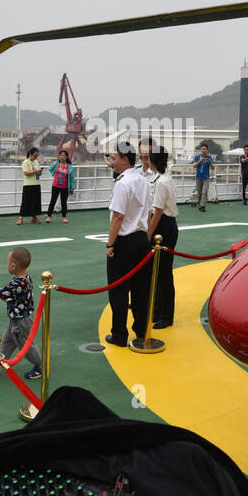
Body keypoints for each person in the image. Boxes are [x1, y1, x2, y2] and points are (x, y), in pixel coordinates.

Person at [104, 143, 150, 347]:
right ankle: (140, 332)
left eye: (114, 158)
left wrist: (110, 244)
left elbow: (118, 217)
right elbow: (148, 212)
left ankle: (120, 335)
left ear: (124, 159)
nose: (112, 162)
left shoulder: (122, 183)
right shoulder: (142, 180)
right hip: (142, 239)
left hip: (124, 241)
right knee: (141, 289)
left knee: (118, 290)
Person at [0, 247, 43, 380]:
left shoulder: (16, 283)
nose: (7, 265)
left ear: (13, 266)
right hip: (17, 318)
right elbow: (5, 290)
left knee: (25, 344)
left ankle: (39, 365)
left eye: (8, 262)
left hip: (21, 321)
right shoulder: (25, 278)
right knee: (7, 340)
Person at [147, 147, 179, 329]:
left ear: (152, 161)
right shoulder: (166, 179)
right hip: (169, 225)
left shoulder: (160, 182)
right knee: (159, 272)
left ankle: (166, 315)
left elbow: (157, 211)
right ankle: (158, 311)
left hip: (163, 226)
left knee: (163, 273)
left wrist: (149, 233)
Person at [46, 149, 75, 222]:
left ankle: (64, 217)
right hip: (55, 185)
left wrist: (72, 187)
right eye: (60, 155)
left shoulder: (70, 167)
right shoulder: (56, 164)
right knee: (53, 201)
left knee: (63, 202)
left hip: (65, 187)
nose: (61, 157)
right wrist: (53, 174)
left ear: (66, 157)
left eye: (63, 155)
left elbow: (72, 178)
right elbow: (50, 168)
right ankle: (49, 216)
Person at [18, 147, 43, 224]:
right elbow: (26, 173)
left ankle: (34, 217)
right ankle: (21, 217)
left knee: (35, 202)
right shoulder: (26, 162)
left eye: (37, 156)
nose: (36, 157)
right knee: (25, 201)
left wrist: (40, 171)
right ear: (30, 154)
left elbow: (39, 173)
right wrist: (36, 171)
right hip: (28, 185)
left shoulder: (36, 162)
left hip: (36, 184)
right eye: (35, 155)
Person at [191, 144, 213, 213]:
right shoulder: (197, 157)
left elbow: (213, 167)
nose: (204, 150)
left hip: (206, 178)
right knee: (199, 193)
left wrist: (210, 162)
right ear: (201, 150)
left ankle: (203, 206)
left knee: (204, 192)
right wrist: (199, 161)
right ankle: (200, 205)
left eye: (205, 149)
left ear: (207, 150)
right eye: (202, 149)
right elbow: (194, 166)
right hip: (199, 177)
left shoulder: (209, 157)